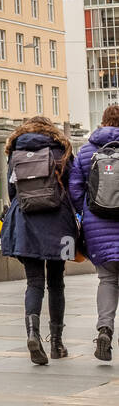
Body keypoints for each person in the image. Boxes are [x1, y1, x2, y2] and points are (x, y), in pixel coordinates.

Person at [0, 116, 78, 365]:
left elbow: (12, 193)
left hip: (25, 222)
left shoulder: (15, 152)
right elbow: (72, 188)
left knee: (34, 283)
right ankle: (57, 344)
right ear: (50, 131)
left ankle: (32, 333)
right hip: (58, 223)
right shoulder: (61, 150)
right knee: (56, 283)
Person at [68, 104, 119, 361]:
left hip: (97, 226)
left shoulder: (87, 151)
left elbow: (74, 190)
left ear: (103, 122)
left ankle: (105, 330)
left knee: (108, 280)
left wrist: (87, 213)